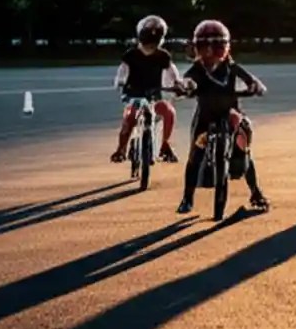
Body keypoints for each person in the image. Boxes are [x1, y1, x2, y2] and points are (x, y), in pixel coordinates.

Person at [176, 19, 270, 214]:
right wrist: (186, 86)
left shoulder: (232, 68)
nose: (208, 53)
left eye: (213, 47)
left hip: (231, 113)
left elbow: (251, 80)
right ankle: (187, 198)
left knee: (244, 145)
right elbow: (187, 80)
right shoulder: (197, 69)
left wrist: (256, 87)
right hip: (205, 116)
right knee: (195, 155)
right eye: (203, 47)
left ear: (223, 47)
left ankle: (255, 191)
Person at [111, 15, 183, 164]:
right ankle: (121, 149)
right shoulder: (131, 55)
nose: (150, 47)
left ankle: (165, 145)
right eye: (148, 43)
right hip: (133, 94)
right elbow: (122, 71)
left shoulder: (163, 56)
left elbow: (172, 71)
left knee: (169, 112)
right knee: (130, 118)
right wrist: (120, 81)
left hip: (153, 96)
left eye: (154, 43)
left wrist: (177, 83)